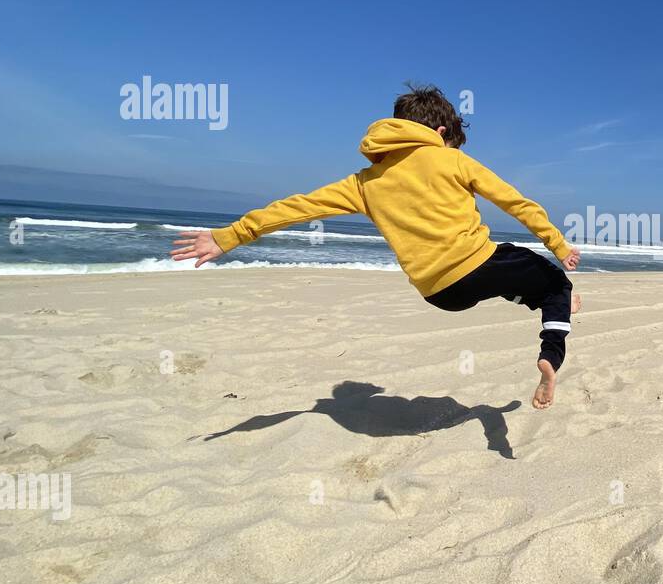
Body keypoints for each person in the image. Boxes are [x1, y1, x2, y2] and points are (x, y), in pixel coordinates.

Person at [170, 84, 580, 409]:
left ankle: (552, 301)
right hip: (478, 263)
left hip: (439, 292)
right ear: (441, 133)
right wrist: (558, 245)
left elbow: (297, 207)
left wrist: (229, 236)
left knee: (526, 284)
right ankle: (550, 356)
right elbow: (516, 203)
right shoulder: (453, 161)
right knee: (554, 281)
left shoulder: (364, 182)